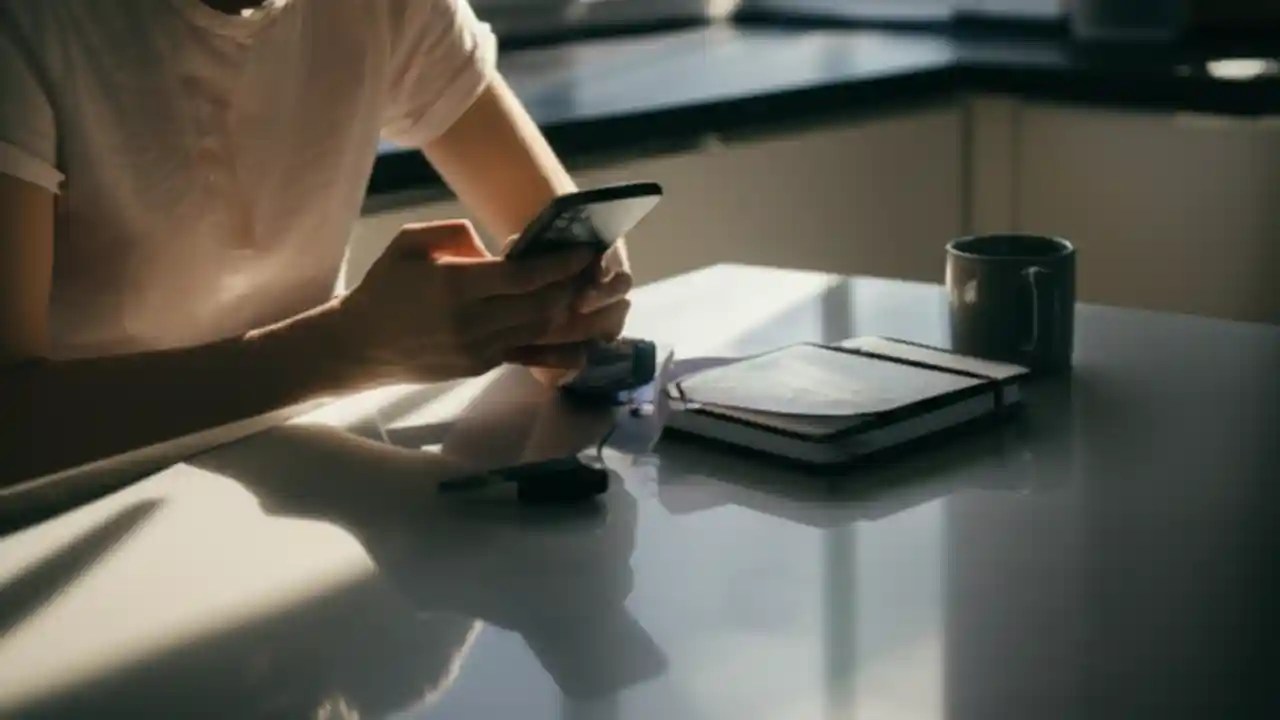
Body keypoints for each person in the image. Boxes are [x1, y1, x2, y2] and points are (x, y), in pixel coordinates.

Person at [0, 0, 634, 484]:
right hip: (69, 518)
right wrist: (344, 349)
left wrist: (568, 305)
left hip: (299, 471)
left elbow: (560, 225)